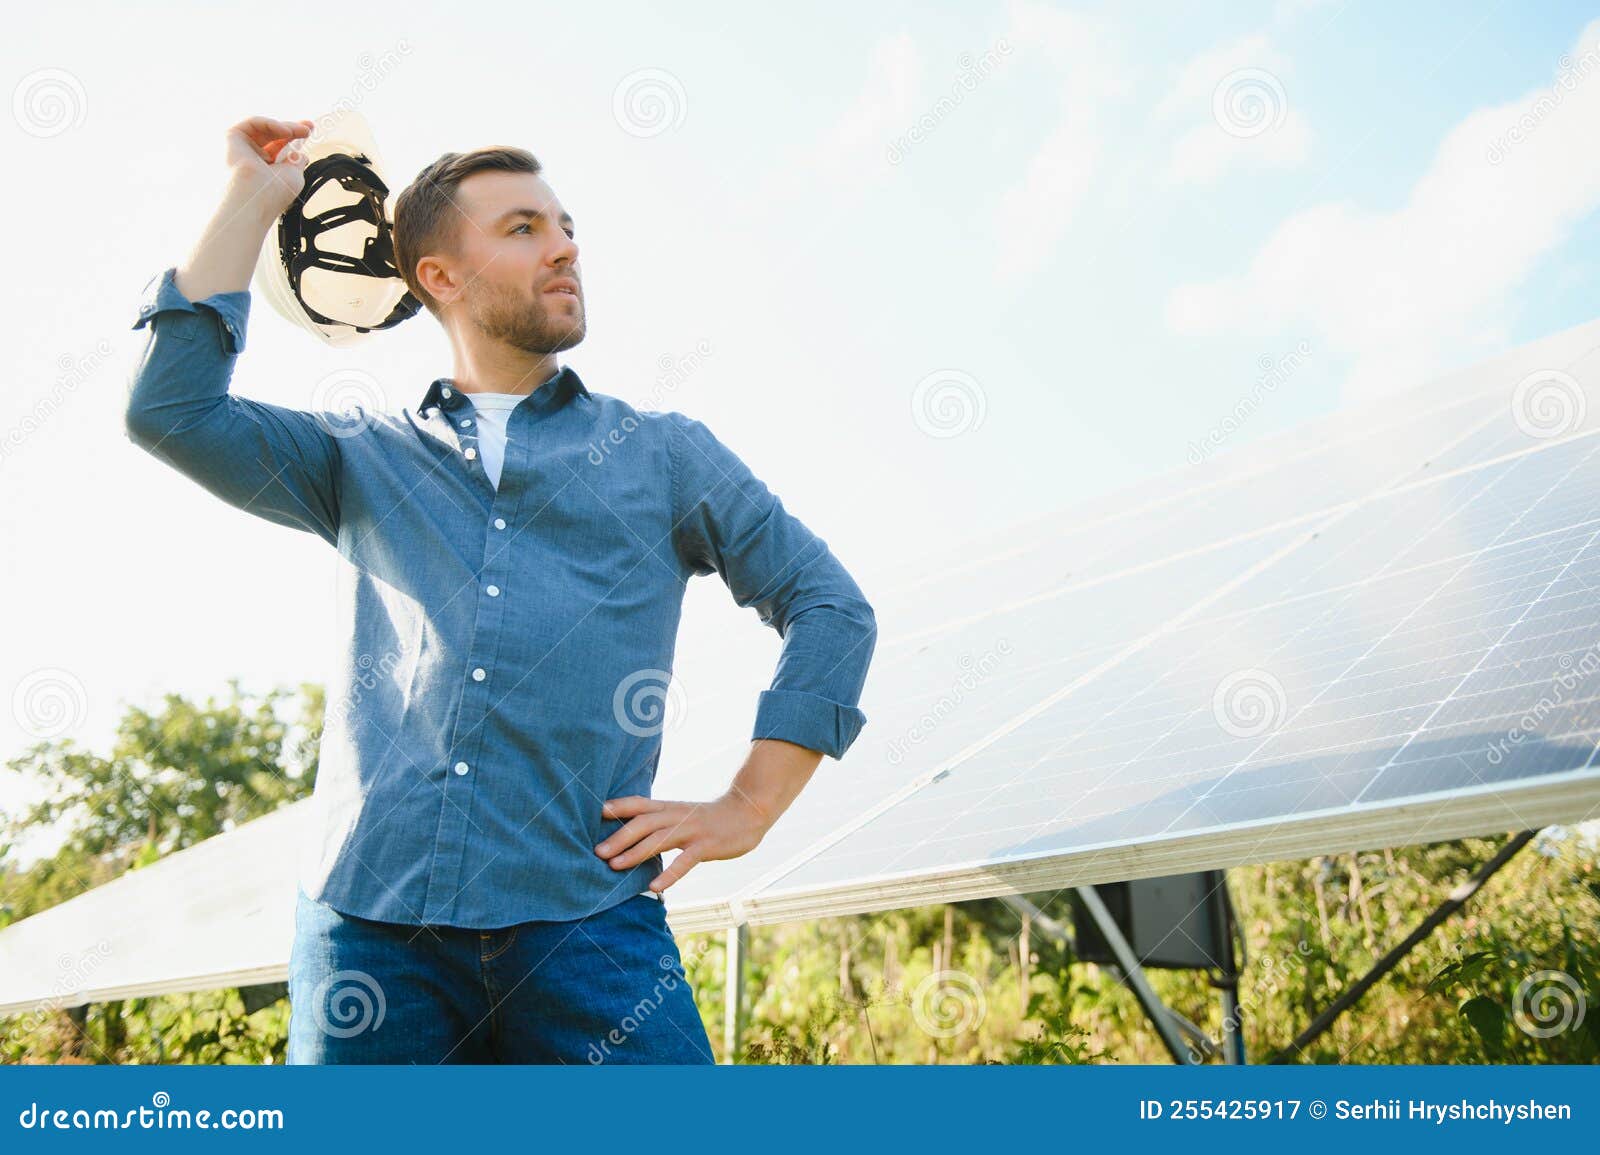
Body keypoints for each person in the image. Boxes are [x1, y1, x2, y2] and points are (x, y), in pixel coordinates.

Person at [124, 116, 879, 1064]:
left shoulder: (666, 454)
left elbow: (832, 607)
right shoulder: (359, 456)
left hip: (590, 927)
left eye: (565, 227)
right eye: (523, 229)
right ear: (437, 277)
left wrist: (749, 804)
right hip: (370, 934)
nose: (564, 247)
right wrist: (251, 200)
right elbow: (171, 411)